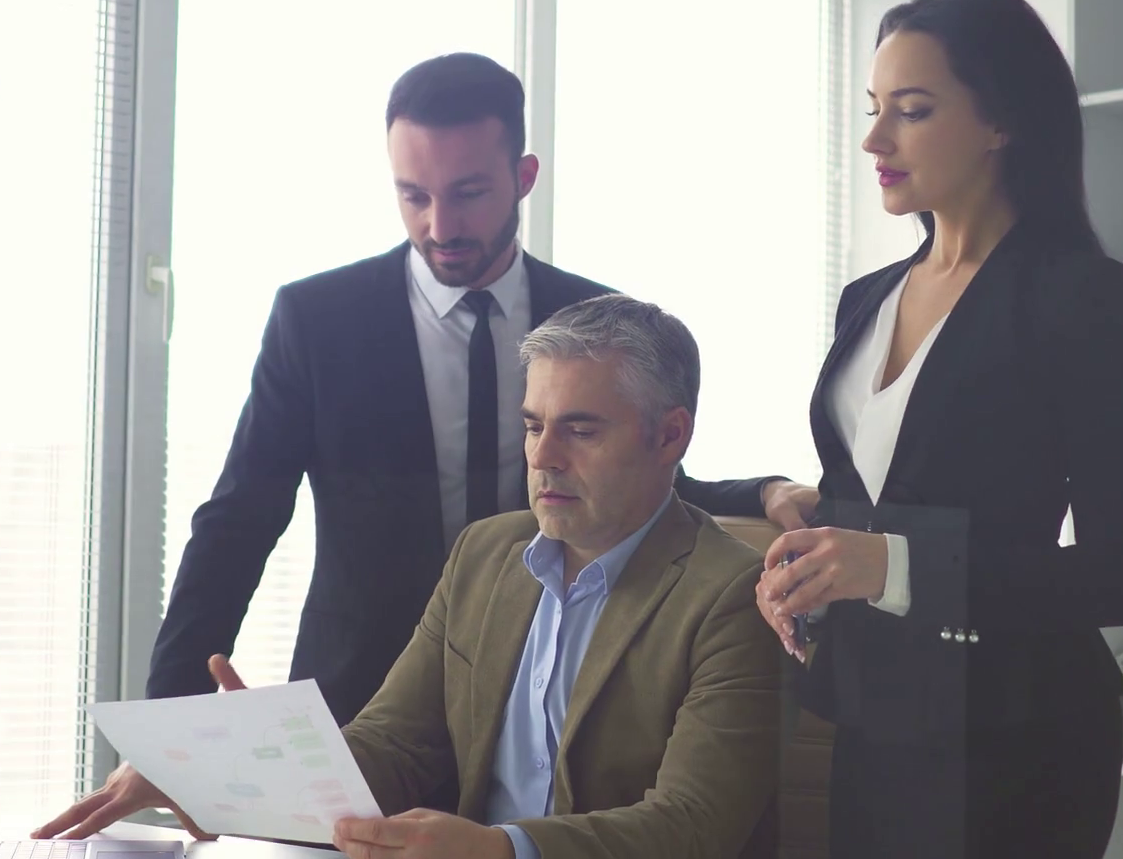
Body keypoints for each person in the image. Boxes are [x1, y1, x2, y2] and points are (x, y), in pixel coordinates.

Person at [38, 295, 782, 859]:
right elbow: (394, 745)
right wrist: (220, 766)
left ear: (669, 436)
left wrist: (499, 857)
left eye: (581, 430)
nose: (543, 456)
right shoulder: (486, 555)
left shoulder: (730, 593)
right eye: (532, 425)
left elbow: (690, 832)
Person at [147, 52, 815, 728]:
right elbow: (239, 521)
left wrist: (763, 491)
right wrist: (168, 726)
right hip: (361, 698)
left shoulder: (593, 317)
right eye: (414, 195)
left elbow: (635, 478)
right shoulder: (317, 319)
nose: (440, 227)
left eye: (467, 193)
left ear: (523, 177)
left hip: (543, 693)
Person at [754, 0, 1123, 859]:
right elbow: (878, 494)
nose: (876, 142)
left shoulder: (1081, 296)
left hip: (1019, 738)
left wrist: (889, 565)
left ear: (1001, 122)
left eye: (914, 110)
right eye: (874, 110)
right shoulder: (868, 297)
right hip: (872, 725)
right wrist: (810, 556)